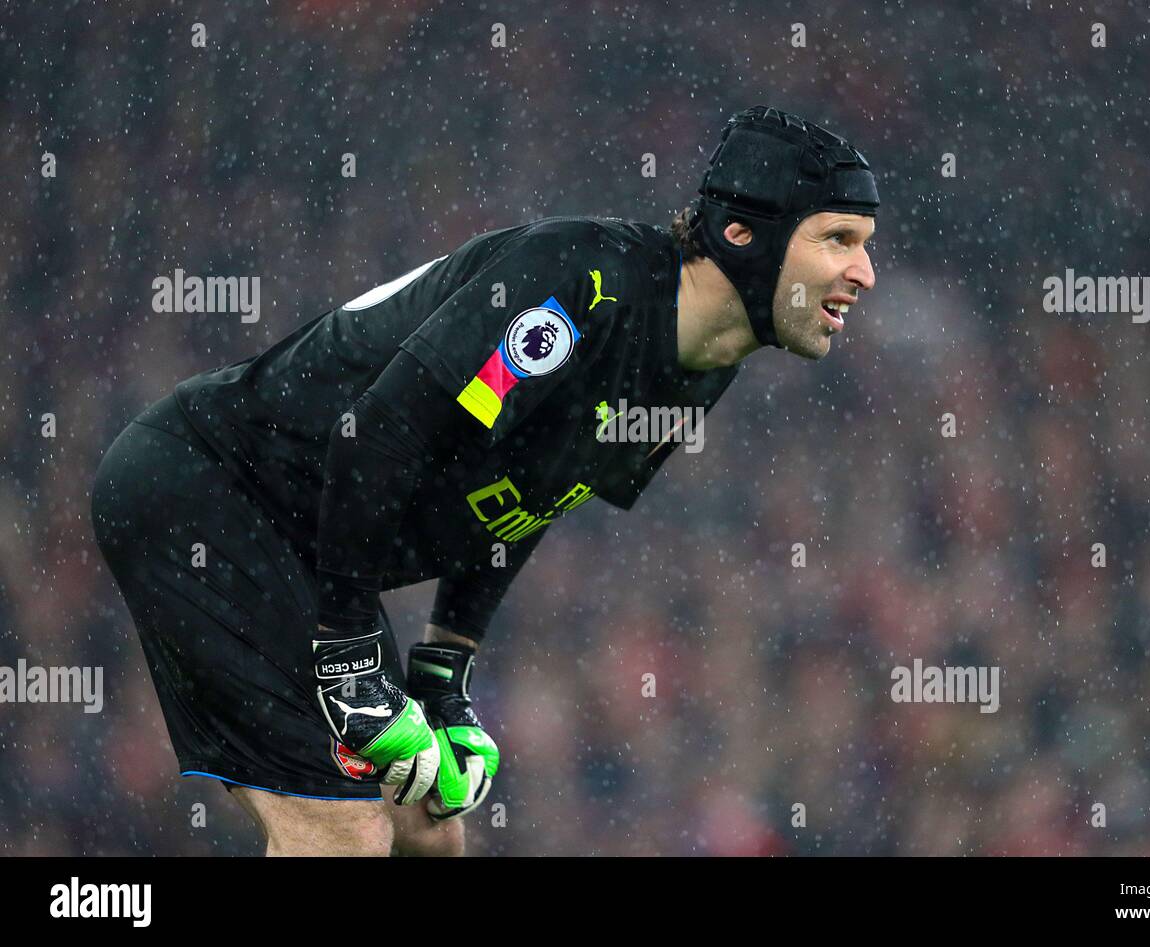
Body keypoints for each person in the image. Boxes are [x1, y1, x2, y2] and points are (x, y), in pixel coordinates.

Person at [90, 105, 880, 856]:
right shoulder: (580, 286)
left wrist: (447, 663)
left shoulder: (704, 365)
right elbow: (373, 438)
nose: (865, 272)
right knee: (342, 832)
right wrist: (349, 654)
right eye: (838, 238)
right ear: (744, 234)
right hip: (209, 489)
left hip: (303, 533)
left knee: (430, 823)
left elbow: (527, 495)